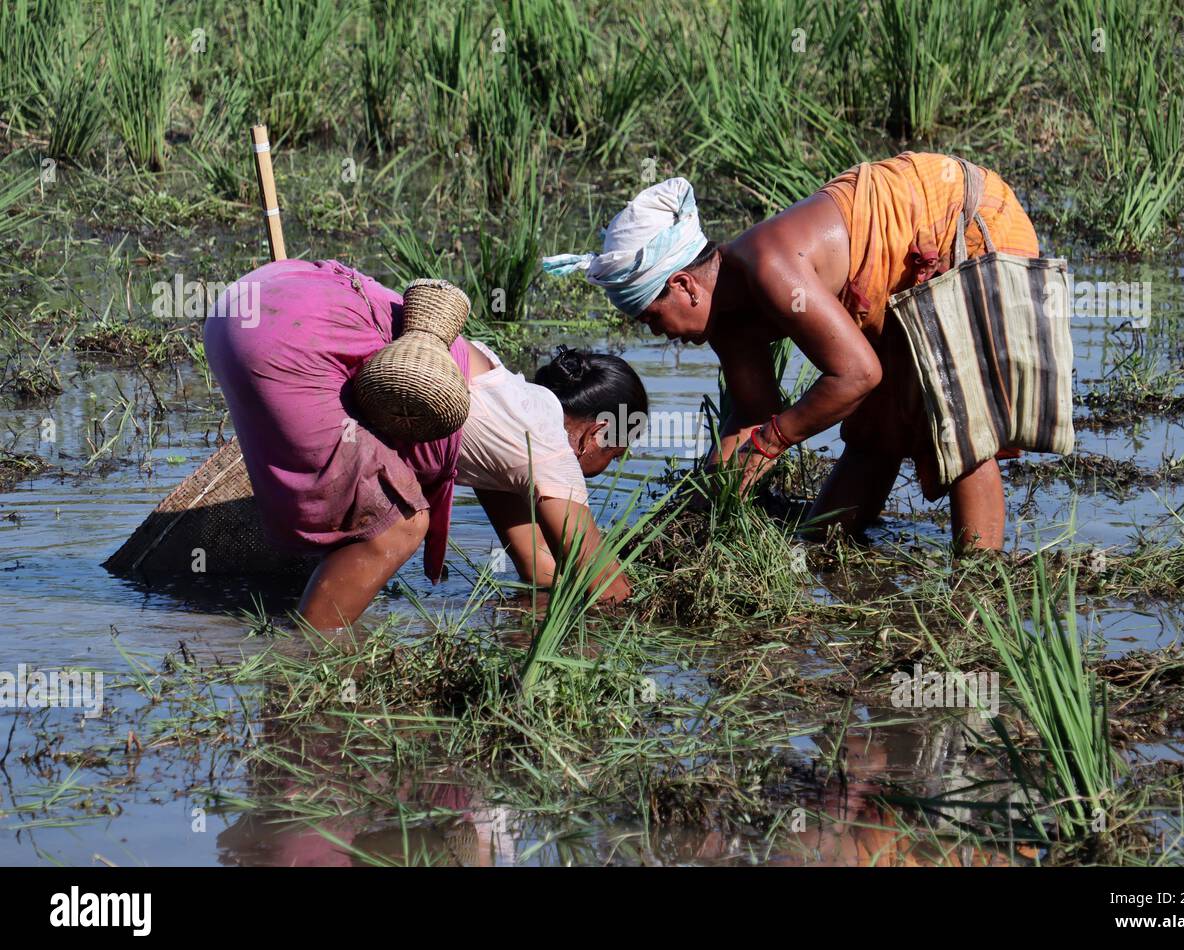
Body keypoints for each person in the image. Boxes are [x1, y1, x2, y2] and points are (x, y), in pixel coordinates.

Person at [544, 153, 1044, 550]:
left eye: (654, 318)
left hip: (964, 222)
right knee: (876, 430)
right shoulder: (727, 323)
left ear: (684, 285)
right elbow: (750, 418)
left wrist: (774, 441)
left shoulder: (767, 264)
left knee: (960, 427)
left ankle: (977, 588)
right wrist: (685, 514)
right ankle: (825, 546)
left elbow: (855, 376)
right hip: (901, 263)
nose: (659, 335)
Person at [204, 258, 646, 629]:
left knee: (379, 510)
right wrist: (649, 623)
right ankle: (301, 665)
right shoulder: (547, 446)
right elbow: (604, 584)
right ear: (598, 435)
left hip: (252, 303)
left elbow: (541, 574)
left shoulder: (509, 415)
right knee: (397, 524)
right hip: (289, 337)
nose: (604, 469)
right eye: (614, 456)